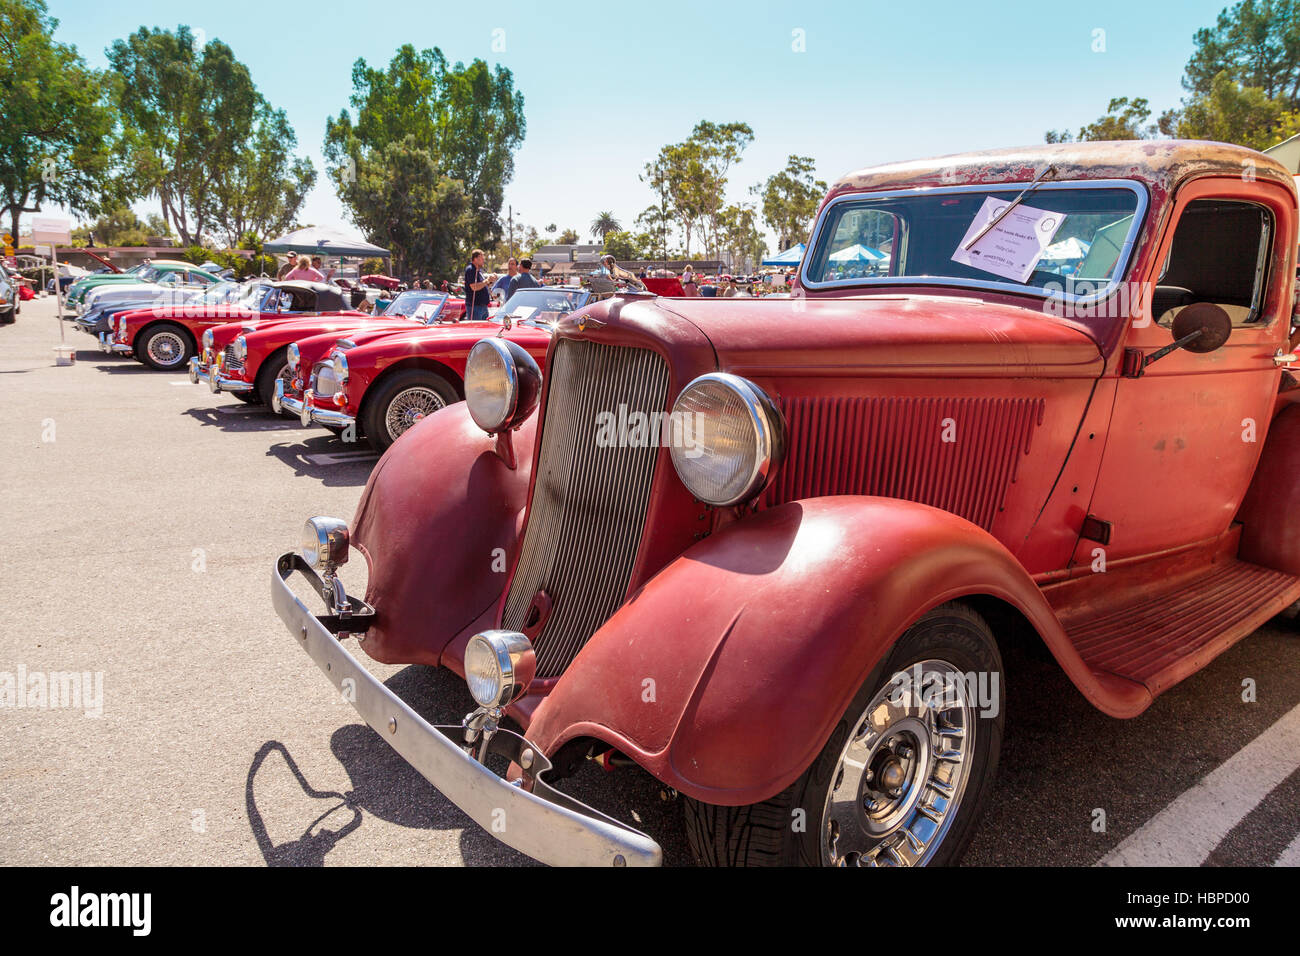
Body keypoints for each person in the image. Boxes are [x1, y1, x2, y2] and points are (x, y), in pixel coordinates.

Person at [463, 249, 495, 320]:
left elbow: (482, 285)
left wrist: (490, 281)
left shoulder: (479, 271)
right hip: (475, 307)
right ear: (475, 259)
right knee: (476, 329)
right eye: (482, 258)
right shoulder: (471, 270)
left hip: (483, 306)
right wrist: (487, 280)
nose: (483, 260)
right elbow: (474, 287)